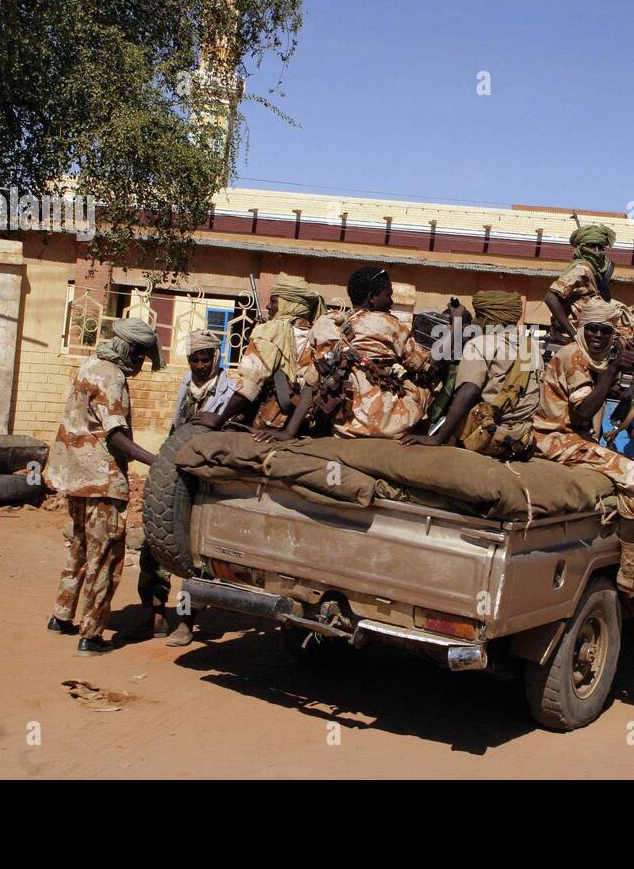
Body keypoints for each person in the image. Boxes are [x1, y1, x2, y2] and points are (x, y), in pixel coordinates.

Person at [533, 299, 634, 599]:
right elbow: (582, 412)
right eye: (592, 329)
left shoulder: (597, 360)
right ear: (582, 329)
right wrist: (614, 371)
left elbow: (609, 399)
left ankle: (631, 569)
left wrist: (630, 389)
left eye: (605, 332)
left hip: (575, 440)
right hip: (555, 440)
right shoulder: (574, 357)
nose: (598, 336)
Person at [44, 318, 161, 655]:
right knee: (106, 555)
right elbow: (115, 435)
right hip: (102, 481)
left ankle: (61, 616)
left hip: (76, 476)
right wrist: (155, 460)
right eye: (140, 356)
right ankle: (91, 635)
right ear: (130, 350)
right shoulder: (112, 376)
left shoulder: (90, 364)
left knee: (78, 547)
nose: (140, 364)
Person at [137, 328, 233, 647]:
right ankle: (154, 615)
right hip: (176, 474)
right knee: (156, 545)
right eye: (194, 359)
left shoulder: (228, 386)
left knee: (197, 557)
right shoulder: (185, 383)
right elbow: (175, 425)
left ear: (215, 357)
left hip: (207, 480)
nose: (200, 364)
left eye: (206, 358)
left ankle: (186, 622)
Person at [266, 266, 441, 441]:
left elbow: (311, 383)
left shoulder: (331, 326)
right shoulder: (389, 323)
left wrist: (289, 432)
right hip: (388, 425)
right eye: (388, 295)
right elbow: (421, 365)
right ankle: (426, 439)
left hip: (345, 427)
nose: (391, 302)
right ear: (372, 298)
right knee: (429, 387)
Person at [400, 290, 541, 459]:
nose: (475, 321)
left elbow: (469, 391)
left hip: (486, 437)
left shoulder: (481, 344)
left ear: (488, 318)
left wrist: (437, 438)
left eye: (478, 316)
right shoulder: (532, 347)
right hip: (520, 439)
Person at [197, 274, 325, 432]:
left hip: (268, 424)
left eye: (273, 301)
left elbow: (249, 385)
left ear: (288, 304)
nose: (268, 306)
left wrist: (219, 418)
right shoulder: (318, 336)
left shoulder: (270, 331)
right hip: (302, 426)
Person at [544, 223, 617, 339]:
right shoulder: (581, 269)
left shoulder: (593, 271)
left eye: (601, 248)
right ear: (581, 248)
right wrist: (573, 335)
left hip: (591, 333)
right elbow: (550, 298)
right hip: (578, 335)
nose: (597, 251)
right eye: (592, 246)